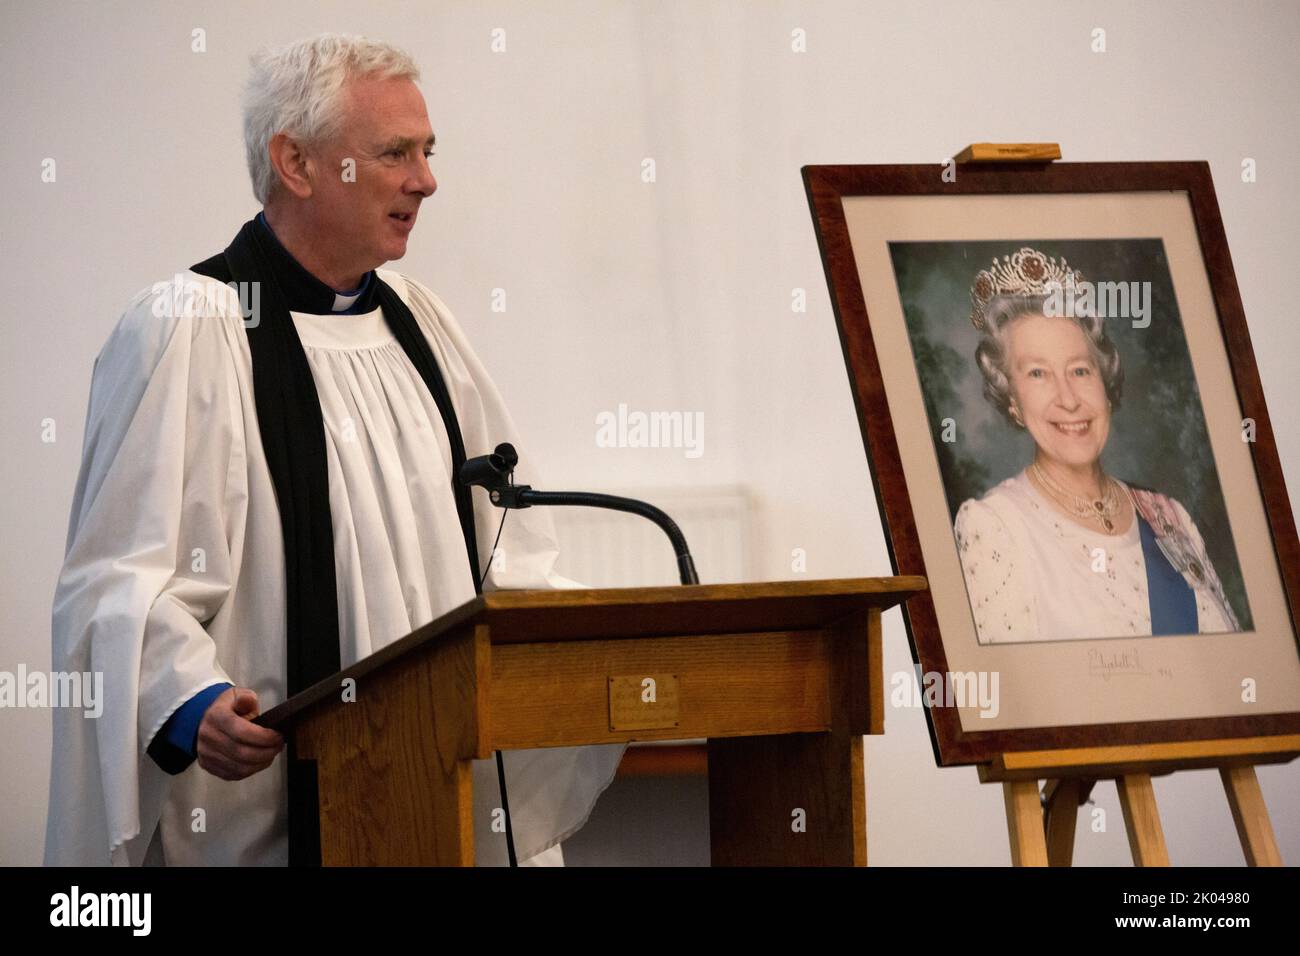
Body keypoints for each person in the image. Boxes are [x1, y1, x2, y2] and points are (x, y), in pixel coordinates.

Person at [44, 33, 623, 866]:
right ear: (296, 162)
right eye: (394, 153)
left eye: (427, 152)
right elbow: (114, 582)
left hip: (436, 791)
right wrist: (189, 698)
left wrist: (600, 639)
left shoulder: (421, 325)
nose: (427, 180)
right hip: (265, 812)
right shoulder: (189, 328)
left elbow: (504, 547)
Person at [953, 247, 1242, 644]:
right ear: (1014, 402)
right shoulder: (996, 528)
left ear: (1104, 383)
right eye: (1038, 373)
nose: (1069, 398)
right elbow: (1007, 698)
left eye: (1079, 370)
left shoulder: (1170, 517)